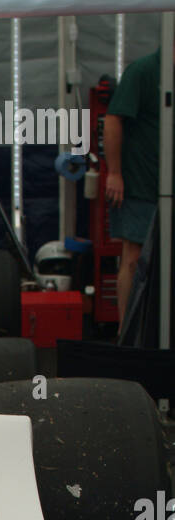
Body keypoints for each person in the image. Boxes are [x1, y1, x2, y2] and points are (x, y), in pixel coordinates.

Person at [104, 45, 174, 324]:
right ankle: (127, 331)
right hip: (140, 185)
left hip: (164, 184)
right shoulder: (144, 71)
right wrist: (115, 173)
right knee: (133, 258)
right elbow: (112, 120)